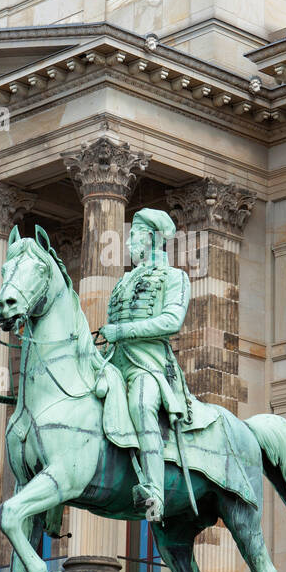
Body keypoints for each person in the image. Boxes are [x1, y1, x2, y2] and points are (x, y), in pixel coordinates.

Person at [100, 208, 191, 523]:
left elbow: (171, 321)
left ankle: (154, 491)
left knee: (141, 405)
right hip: (114, 361)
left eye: (133, 233)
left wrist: (123, 332)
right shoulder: (124, 281)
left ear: (151, 236)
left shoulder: (175, 277)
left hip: (148, 364)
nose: (126, 241)